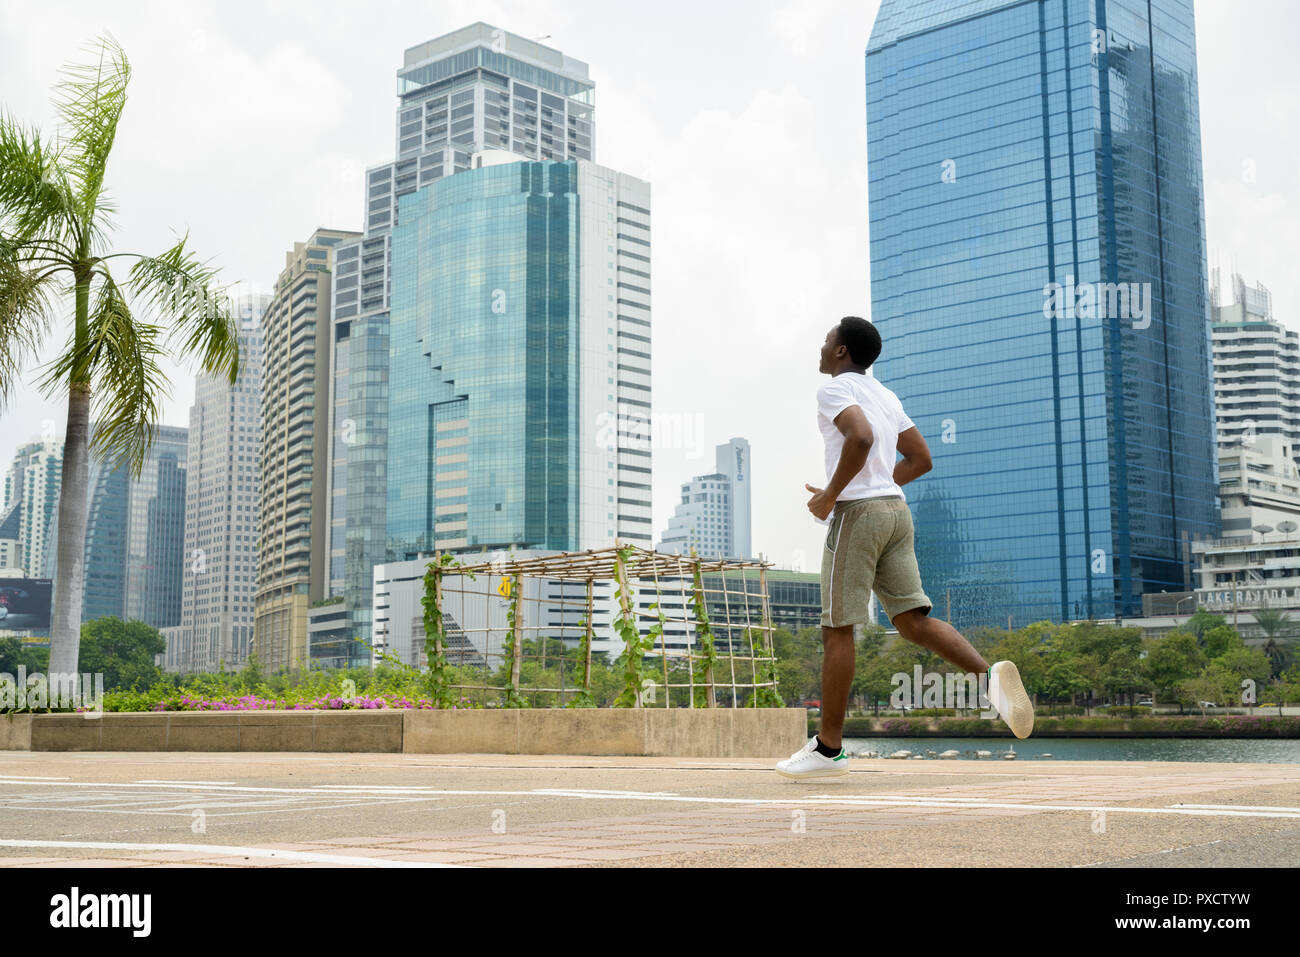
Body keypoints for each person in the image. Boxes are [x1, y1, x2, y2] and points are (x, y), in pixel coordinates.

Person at [776, 317, 1033, 780]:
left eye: (827, 339)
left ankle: (828, 749)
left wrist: (833, 494)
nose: (821, 345)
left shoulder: (834, 390)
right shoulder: (886, 395)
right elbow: (921, 458)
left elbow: (861, 437)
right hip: (896, 513)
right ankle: (988, 679)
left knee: (838, 628)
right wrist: (876, 487)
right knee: (913, 621)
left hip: (858, 517)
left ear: (840, 352)